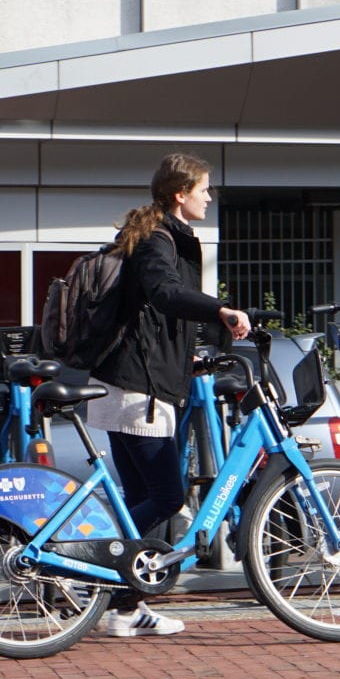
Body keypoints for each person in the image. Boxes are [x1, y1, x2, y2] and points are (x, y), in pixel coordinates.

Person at [86, 153, 250, 637]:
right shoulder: (158, 239)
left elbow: (151, 322)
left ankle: (126, 610)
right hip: (141, 389)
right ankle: (92, 574)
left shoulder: (156, 234)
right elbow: (163, 294)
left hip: (134, 383)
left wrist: (189, 360)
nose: (209, 196)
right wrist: (221, 310)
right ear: (180, 193)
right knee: (166, 495)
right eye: (203, 188)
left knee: (143, 497)